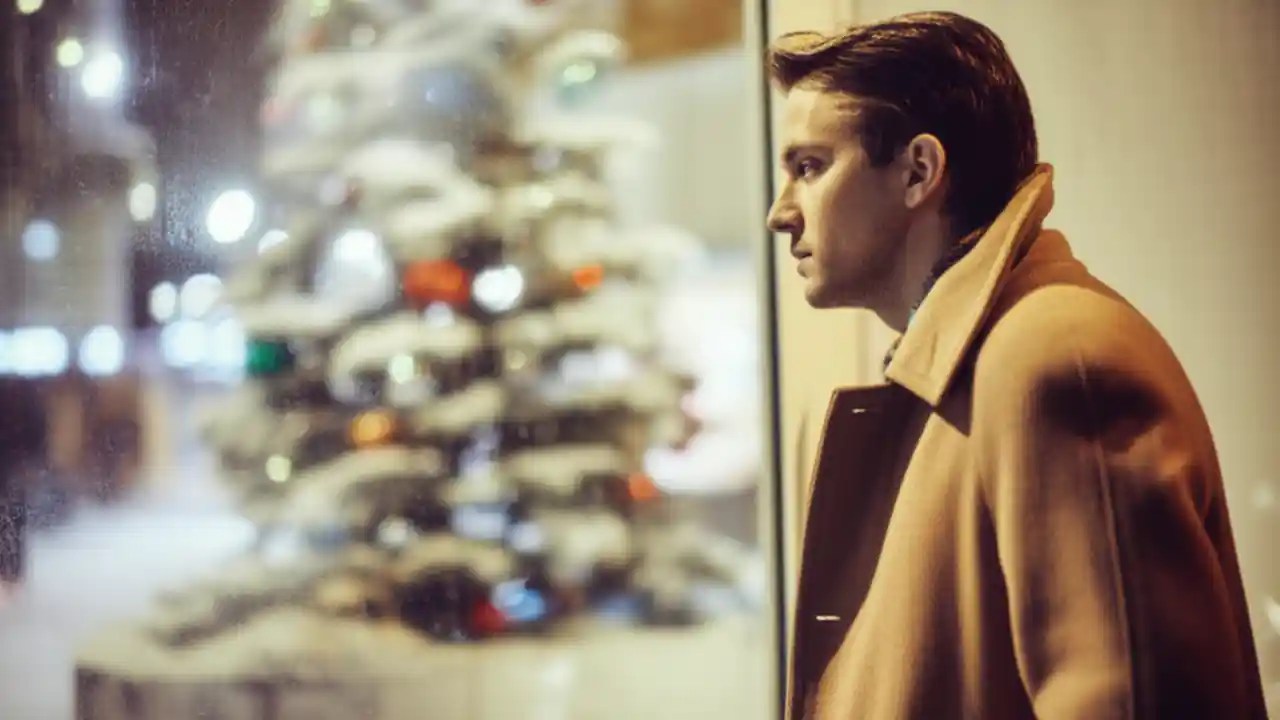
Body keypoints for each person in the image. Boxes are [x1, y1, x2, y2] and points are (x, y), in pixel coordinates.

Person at [766, 11, 1267, 720]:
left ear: (918, 172)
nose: (779, 213)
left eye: (809, 168)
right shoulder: (969, 370)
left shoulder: (1057, 358)